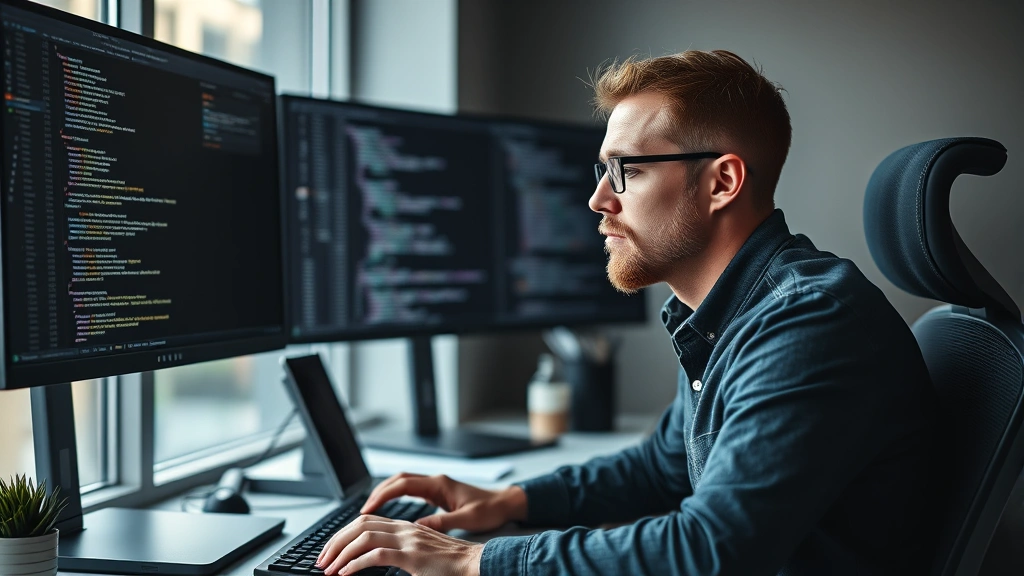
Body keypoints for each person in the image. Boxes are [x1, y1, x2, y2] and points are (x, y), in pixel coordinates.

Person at [314, 49, 937, 576]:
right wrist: (507, 502)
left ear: (722, 183)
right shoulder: (729, 312)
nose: (597, 199)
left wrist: (471, 561)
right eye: (603, 170)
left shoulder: (806, 323)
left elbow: (713, 548)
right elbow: (662, 464)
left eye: (628, 171)